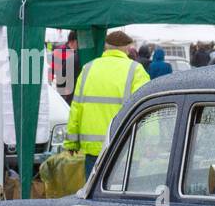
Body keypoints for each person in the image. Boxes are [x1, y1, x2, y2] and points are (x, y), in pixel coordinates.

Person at [64, 29, 151, 178]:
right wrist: (151, 143)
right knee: (121, 197)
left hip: (94, 150)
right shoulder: (136, 71)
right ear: (127, 48)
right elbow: (147, 109)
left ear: (106, 47)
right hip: (124, 148)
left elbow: (76, 108)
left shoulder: (88, 69)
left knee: (93, 198)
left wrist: (72, 143)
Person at [50, 32, 79, 100]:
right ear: (72, 41)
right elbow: (53, 70)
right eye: (78, 42)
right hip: (63, 88)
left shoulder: (78, 52)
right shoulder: (60, 51)